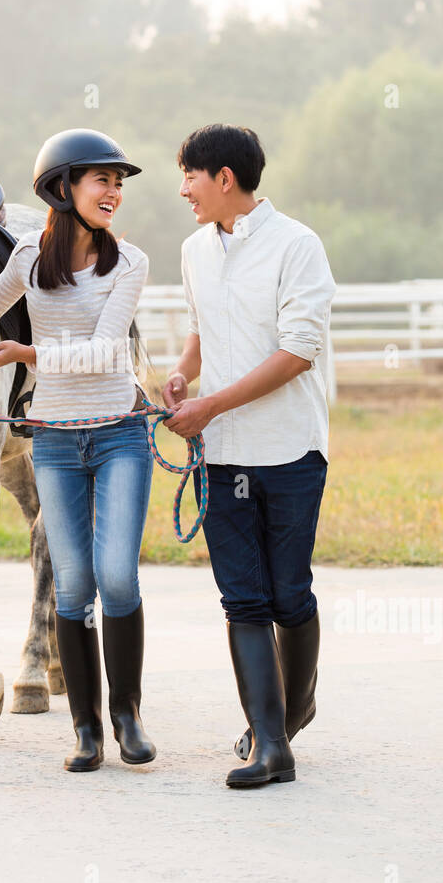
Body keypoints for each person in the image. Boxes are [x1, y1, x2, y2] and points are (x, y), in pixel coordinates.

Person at [0, 129, 156, 773]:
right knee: (73, 586)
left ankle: (127, 715)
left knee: (116, 575)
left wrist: (28, 355)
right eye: (102, 179)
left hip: (119, 435)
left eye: (119, 182)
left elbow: (108, 353)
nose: (114, 191)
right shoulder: (28, 257)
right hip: (53, 441)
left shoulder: (128, 263)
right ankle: (86, 730)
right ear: (63, 187)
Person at [164, 124, 336, 789]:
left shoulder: (298, 247)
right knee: (242, 601)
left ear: (225, 178)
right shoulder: (193, 251)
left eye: (190, 177)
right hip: (222, 457)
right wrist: (185, 376)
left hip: (290, 450)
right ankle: (271, 745)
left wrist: (210, 406)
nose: (184, 190)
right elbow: (202, 329)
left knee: (289, 594)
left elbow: (298, 353)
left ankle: (292, 711)